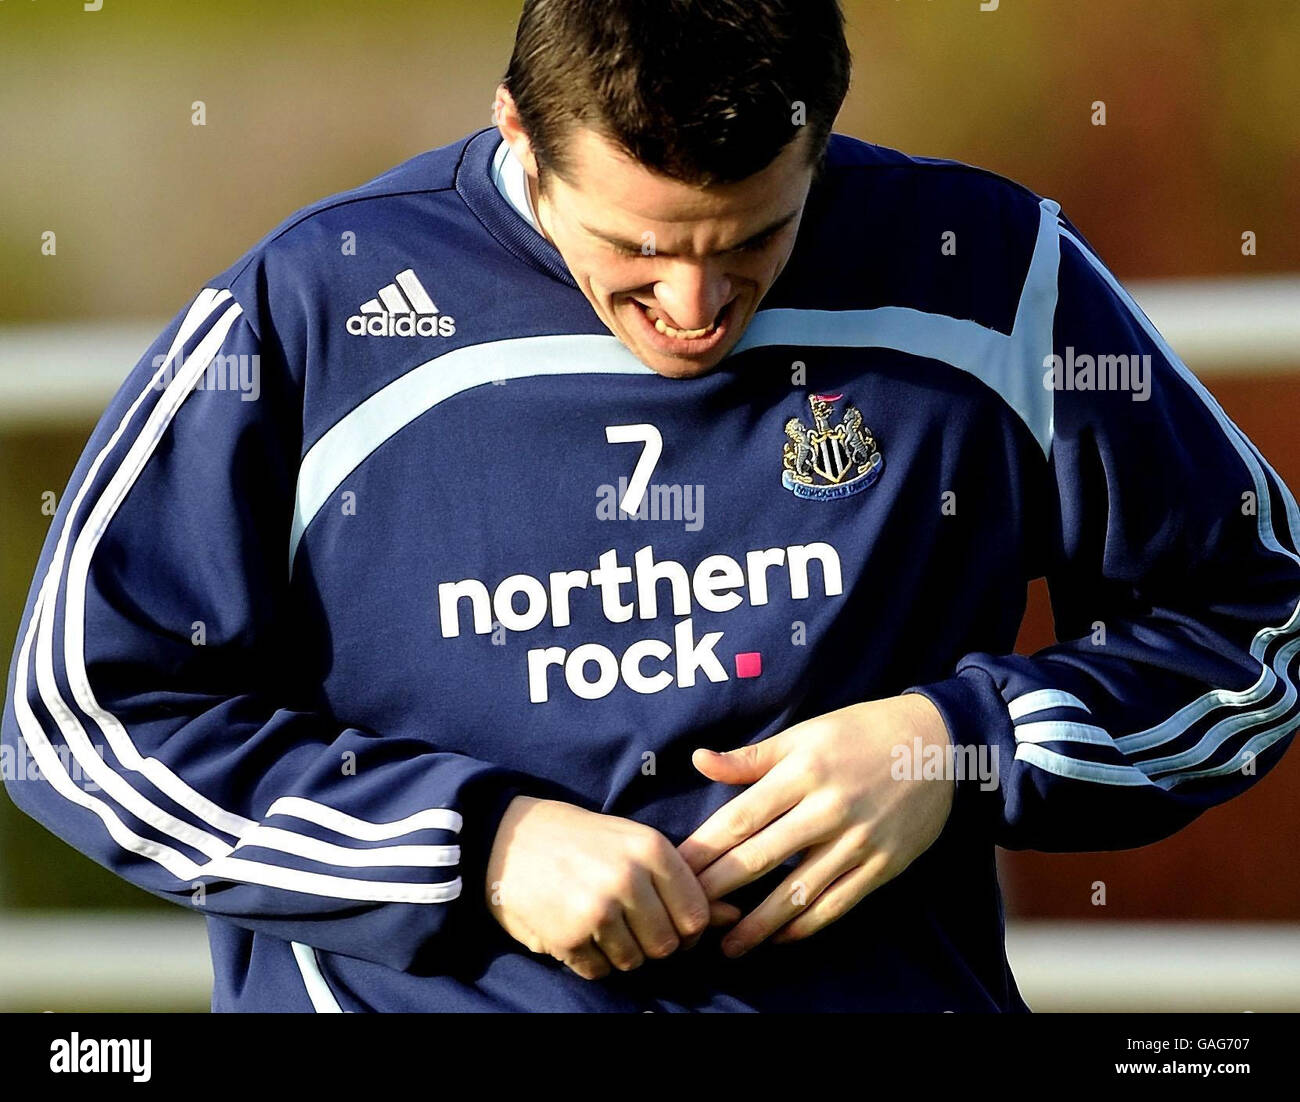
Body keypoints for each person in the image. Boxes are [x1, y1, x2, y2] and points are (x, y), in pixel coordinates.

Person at [4, 0, 1297, 1012]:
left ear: (822, 135)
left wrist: (956, 745)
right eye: (639, 250)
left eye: (751, 241)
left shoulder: (990, 277)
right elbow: (78, 721)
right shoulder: (313, 307)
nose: (693, 309)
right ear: (519, 132)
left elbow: (1253, 617)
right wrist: (478, 848)